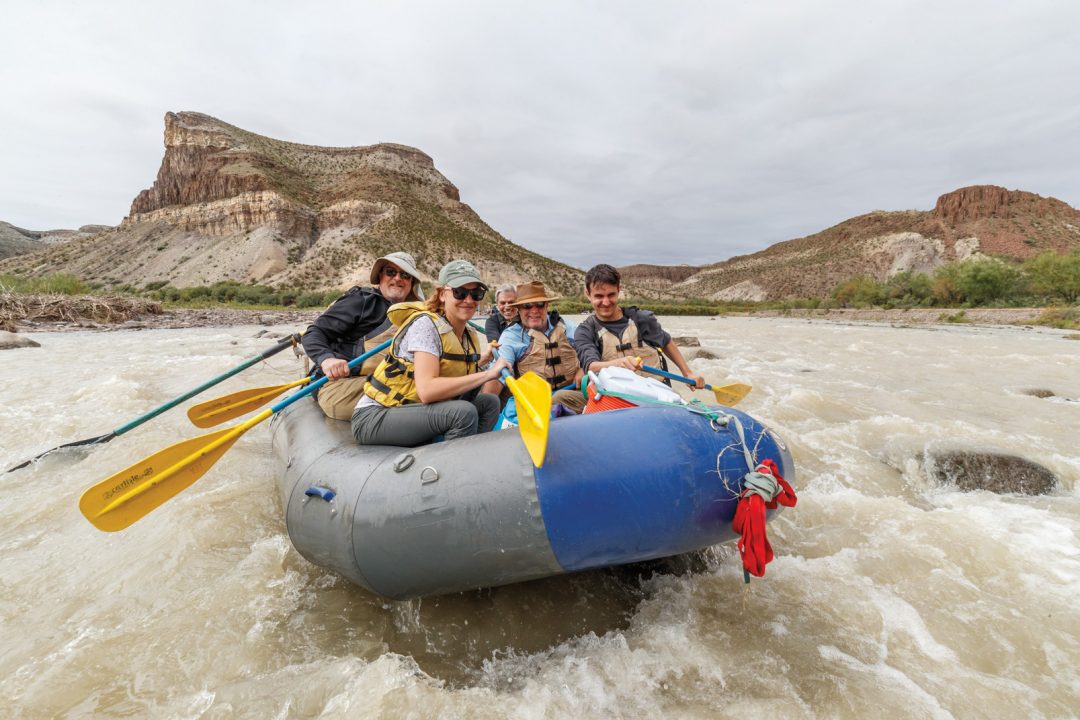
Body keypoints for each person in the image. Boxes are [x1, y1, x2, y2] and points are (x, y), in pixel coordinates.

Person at [352, 259, 511, 447]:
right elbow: (427, 391)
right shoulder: (426, 326)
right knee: (463, 412)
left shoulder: (467, 333)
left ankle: (471, 455)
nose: (468, 300)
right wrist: (488, 374)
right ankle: (450, 468)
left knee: (489, 403)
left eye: (476, 294)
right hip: (376, 416)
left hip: (413, 410)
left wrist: (482, 361)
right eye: (460, 292)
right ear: (443, 294)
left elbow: (450, 367)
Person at [301, 251, 424, 420]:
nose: (397, 278)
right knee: (424, 389)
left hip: (385, 378)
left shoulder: (417, 312)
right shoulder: (362, 301)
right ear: (380, 275)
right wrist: (327, 359)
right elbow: (314, 333)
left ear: (411, 282)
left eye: (405, 275)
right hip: (341, 385)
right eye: (390, 272)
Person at [575, 263, 705, 388]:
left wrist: (688, 373)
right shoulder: (585, 330)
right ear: (588, 294)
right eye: (599, 296)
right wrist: (618, 363)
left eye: (611, 295)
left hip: (658, 393)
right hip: (615, 398)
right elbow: (590, 366)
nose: (606, 302)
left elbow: (666, 342)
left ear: (619, 290)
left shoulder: (642, 319)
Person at [489, 280, 586, 415]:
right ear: (519, 309)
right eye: (527, 306)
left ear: (547, 306)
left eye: (540, 305)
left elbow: (587, 352)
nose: (534, 310)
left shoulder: (567, 327)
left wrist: (583, 368)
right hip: (535, 401)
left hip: (572, 394)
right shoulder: (510, 337)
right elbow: (497, 375)